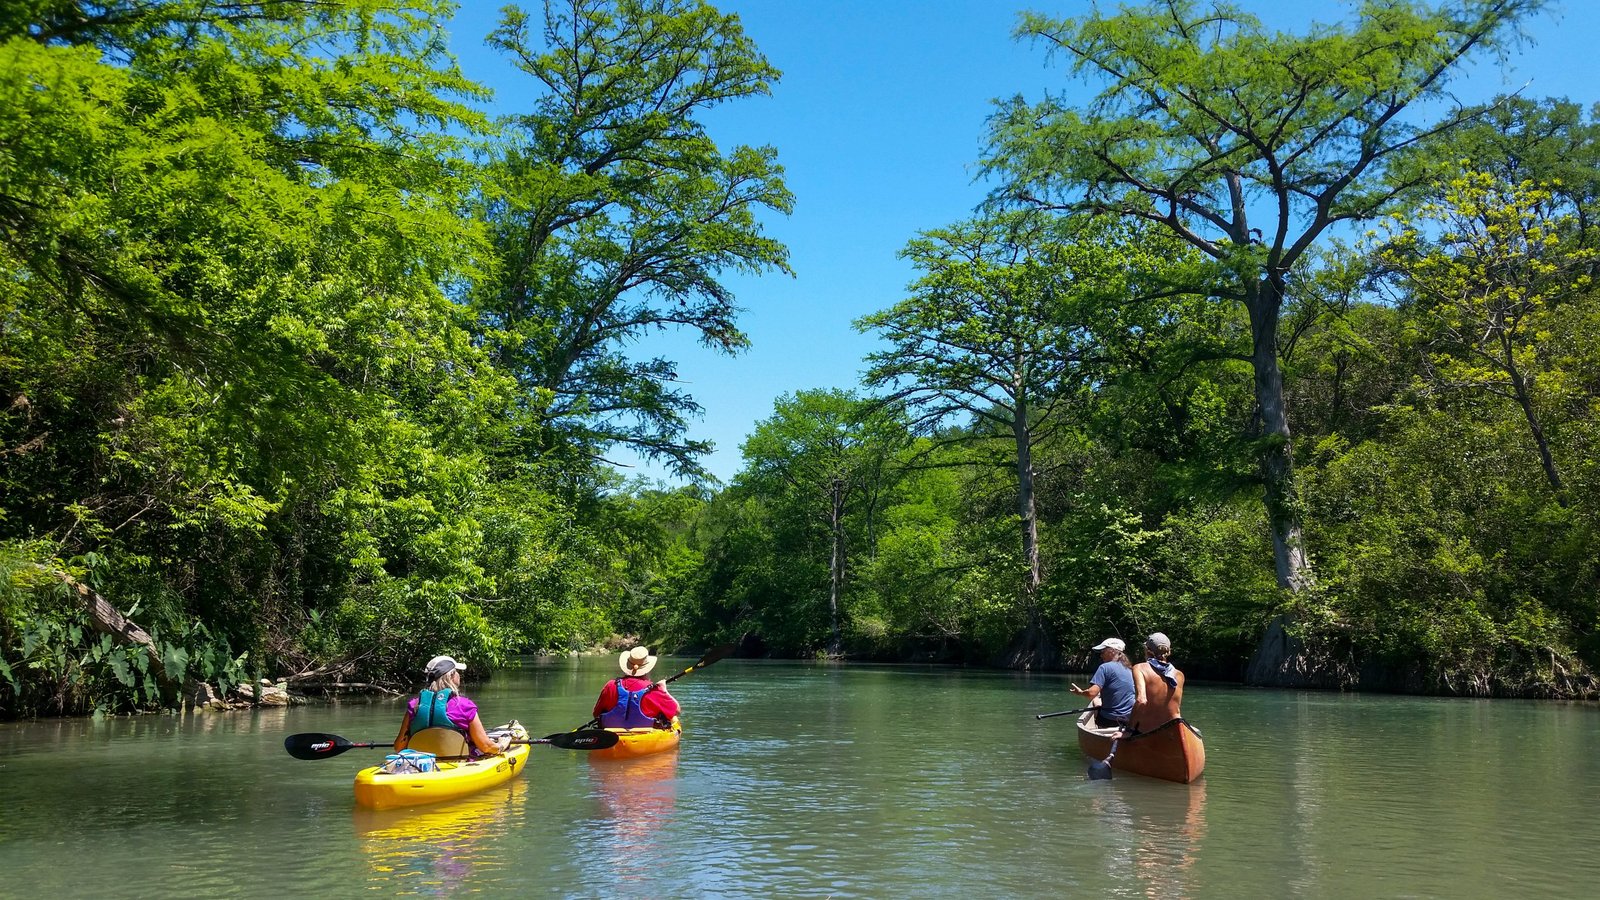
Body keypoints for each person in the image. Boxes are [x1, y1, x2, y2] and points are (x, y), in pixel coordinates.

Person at [394, 655, 508, 757]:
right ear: (452, 675)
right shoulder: (464, 705)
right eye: (458, 672)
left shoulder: (414, 705)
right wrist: (501, 745)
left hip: (421, 764)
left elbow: (399, 747)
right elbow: (486, 746)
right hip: (458, 764)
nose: (459, 675)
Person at [594, 646, 681, 729]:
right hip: (644, 738)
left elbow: (596, 713)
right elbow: (676, 711)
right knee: (672, 718)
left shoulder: (610, 685)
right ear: (647, 669)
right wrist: (664, 690)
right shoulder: (654, 690)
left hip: (612, 737)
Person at [1070, 637, 1136, 730]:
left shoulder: (1104, 668)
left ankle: (1101, 729)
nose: (1101, 655)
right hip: (1129, 718)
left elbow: (1091, 694)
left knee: (1095, 701)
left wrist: (1080, 692)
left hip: (1110, 720)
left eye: (1103, 652)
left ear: (1112, 651)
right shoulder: (1130, 669)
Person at [1130, 632, 1185, 733]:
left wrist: (1128, 729)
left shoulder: (1140, 668)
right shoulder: (1179, 675)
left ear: (1147, 650)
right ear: (1169, 651)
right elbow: (1176, 708)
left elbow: (1141, 700)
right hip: (1172, 731)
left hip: (1146, 731)